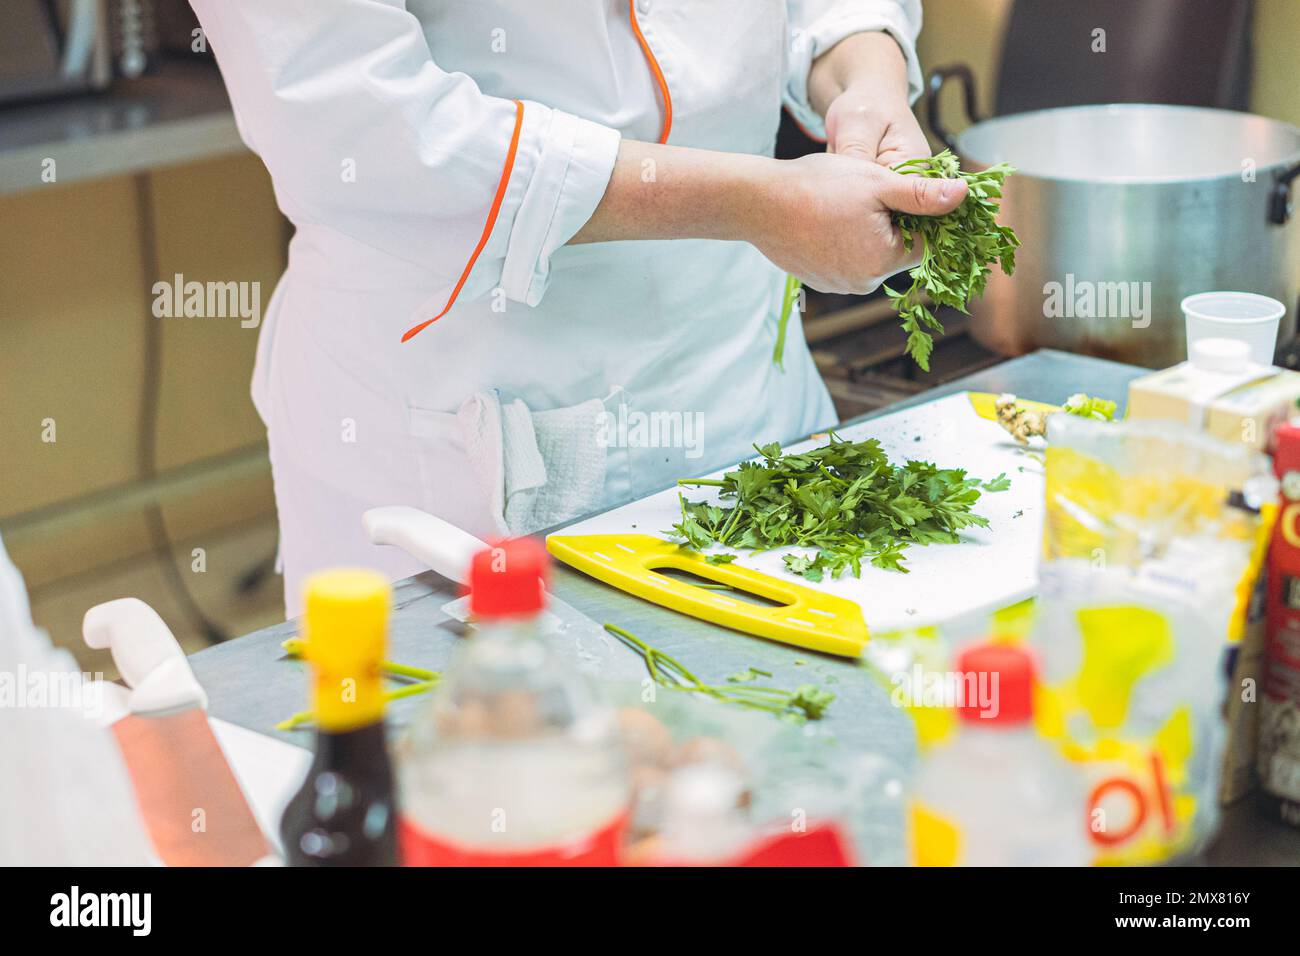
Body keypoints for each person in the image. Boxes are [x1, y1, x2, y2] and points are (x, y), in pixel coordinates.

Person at [189, 0, 967, 615]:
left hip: (746, 391)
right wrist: (756, 204)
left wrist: (865, 77)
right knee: (489, 753)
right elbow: (357, 129)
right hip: (460, 437)